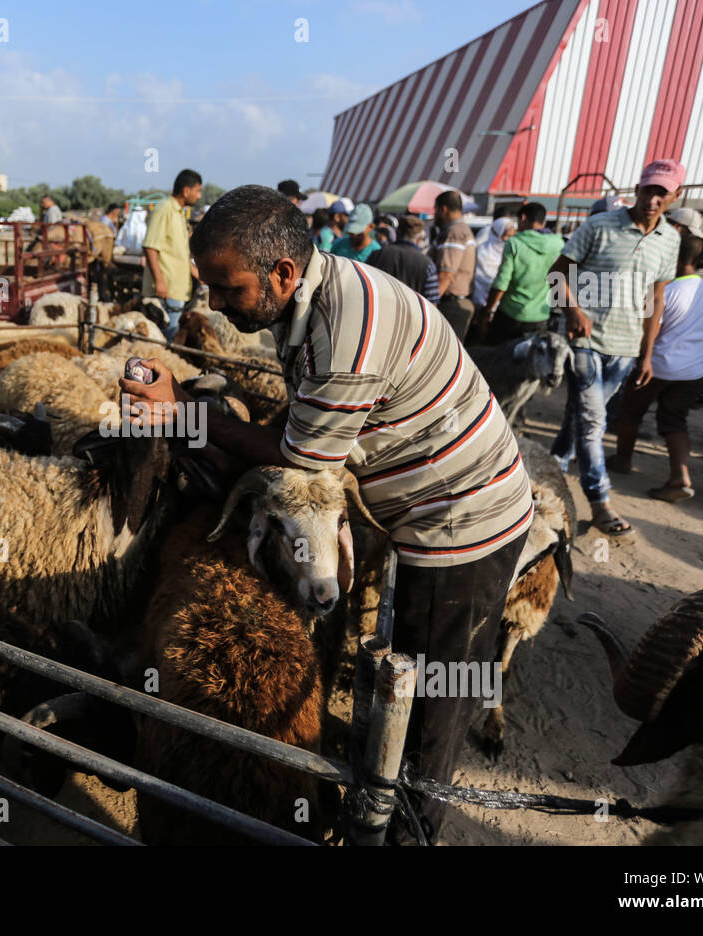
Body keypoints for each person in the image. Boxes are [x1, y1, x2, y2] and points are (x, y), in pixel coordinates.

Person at [119, 185, 532, 843]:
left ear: (283, 273)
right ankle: (384, 789)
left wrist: (184, 415)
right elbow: (300, 420)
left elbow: (300, 459)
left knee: (435, 691)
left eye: (228, 288)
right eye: (210, 288)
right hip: (427, 506)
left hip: (461, 521)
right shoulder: (307, 304)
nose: (216, 304)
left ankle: (407, 830)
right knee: (408, 666)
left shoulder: (346, 328)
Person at [548, 158, 683, 536]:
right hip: (586, 342)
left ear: (675, 196)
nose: (653, 199)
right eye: (648, 189)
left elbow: (655, 299)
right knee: (593, 422)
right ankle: (600, 501)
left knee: (582, 417)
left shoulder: (670, 239)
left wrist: (647, 352)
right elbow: (557, 273)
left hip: (625, 349)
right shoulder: (599, 225)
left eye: (663, 192)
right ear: (637, 189)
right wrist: (573, 310)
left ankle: (553, 467)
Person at [607, 235, 703, 501]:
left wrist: (644, 358)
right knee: (675, 421)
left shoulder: (665, 291)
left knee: (630, 413)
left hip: (657, 366)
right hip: (693, 371)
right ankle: (679, 477)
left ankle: (623, 460)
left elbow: (650, 331)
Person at [479, 203, 564, 343]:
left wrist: (487, 311)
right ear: (543, 221)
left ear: (523, 218)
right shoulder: (558, 244)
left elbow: (502, 283)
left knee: (497, 359)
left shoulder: (514, 243)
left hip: (510, 316)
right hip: (540, 317)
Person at [142, 169, 203, 340]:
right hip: (166, 291)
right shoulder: (164, 210)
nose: (199, 196)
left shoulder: (178, 213)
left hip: (176, 290)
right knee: (166, 342)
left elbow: (177, 252)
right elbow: (150, 247)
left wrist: (195, 271)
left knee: (172, 339)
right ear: (186, 191)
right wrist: (160, 281)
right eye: (197, 190)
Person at [431, 190, 477, 339]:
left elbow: (446, 274)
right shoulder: (463, 230)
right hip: (456, 303)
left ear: (443, 209)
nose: (434, 215)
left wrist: (430, 305)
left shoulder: (454, 233)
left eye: (435, 210)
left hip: (451, 305)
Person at [367, 216, 439, 303]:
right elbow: (432, 303)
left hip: (380, 312)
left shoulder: (376, 255)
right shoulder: (428, 264)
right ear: (419, 238)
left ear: (397, 233)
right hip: (413, 315)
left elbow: (366, 287)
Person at [471, 217, 516, 310]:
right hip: (478, 304)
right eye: (506, 236)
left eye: (512, 236)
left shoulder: (512, 253)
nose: (508, 240)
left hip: (502, 307)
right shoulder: (481, 252)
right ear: (496, 234)